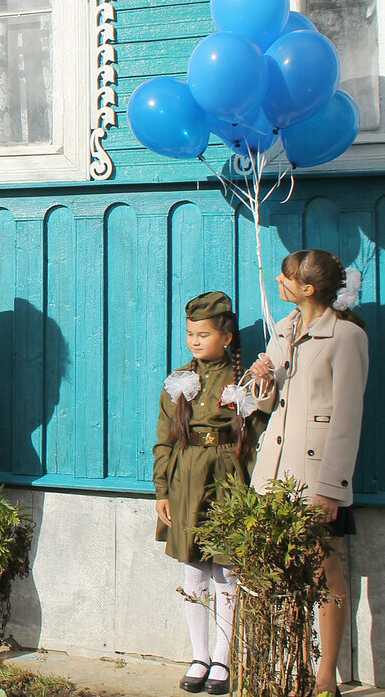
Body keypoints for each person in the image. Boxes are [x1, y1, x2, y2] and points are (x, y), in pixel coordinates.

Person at [249, 250, 368, 697]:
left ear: (308, 288)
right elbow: (266, 406)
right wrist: (261, 380)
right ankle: (294, 664)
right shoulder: (284, 330)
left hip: (315, 478)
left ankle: (324, 679)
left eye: (286, 277)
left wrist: (329, 489)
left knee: (325, 574)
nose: (278, 282)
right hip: (274, 473)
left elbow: (347, 417)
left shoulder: (346, 337)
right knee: (284, 573)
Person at [153, 292, 263, 695]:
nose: (195, 341)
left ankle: (223, 656)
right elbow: (164, 438)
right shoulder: (180, 378)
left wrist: (254, 490)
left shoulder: (243, 380)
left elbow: (257, 438)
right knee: (194, 566)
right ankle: (198, 655)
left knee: (226, 566)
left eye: (203, 334)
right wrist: (162, 488)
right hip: (186, 478)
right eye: (189, 334)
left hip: (228, 475)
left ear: (227, 337)